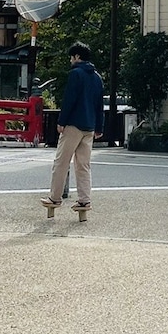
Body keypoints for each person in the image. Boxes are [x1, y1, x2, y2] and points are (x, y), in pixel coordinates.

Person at [41, 41, 105, 215]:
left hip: (74, 125)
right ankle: (84, 200)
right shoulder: (97, 77)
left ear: (77, 56)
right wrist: (99, 127)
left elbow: (70, 100)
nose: (71, 60)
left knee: (61, 162)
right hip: (90, 127)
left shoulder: (76, 74)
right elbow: (99, 105)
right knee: (83, 165)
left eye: (71, 57)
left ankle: (55, 197)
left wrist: (61, 121)